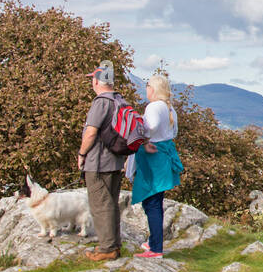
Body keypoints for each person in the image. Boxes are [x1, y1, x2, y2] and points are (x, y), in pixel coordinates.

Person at [127, 73, 183, 258]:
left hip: (153, 158)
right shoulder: (169, 108)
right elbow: (173, 131)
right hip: (163, 156)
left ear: (153, 88)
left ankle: (156, 248)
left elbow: (149, 127)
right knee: (156, 201)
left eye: (148, 86)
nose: (146, 89)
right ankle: (154, 241)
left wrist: (141, 138)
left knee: (151, 203)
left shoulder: (154, 107)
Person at [77, 65, 129, 261]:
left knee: (100, 204)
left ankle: (107, 248)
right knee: (112, 203)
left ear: (97, 82)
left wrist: (82, 154)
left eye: (93, 79)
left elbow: (91, 132)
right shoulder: (120, 101)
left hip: (98, 161)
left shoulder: (100, 103)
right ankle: (114, 244)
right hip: (116, 160)